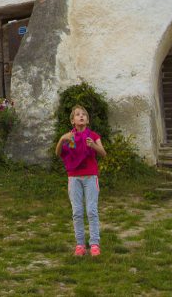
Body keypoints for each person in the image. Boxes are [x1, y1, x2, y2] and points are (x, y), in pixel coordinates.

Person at [55, 104, 107, 257]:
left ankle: (94, 244)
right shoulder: (69, 137)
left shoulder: (93, 136)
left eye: (84, 114)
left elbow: (103, 153)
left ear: (87, 120)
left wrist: (93, 146)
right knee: (77, 212)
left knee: (91, 210)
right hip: (74, 177)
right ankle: (80, 245)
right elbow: (59, 153)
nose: (81, 116)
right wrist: (61, 139)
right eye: (78, 114)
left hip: (90, 176)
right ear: (73, 121)